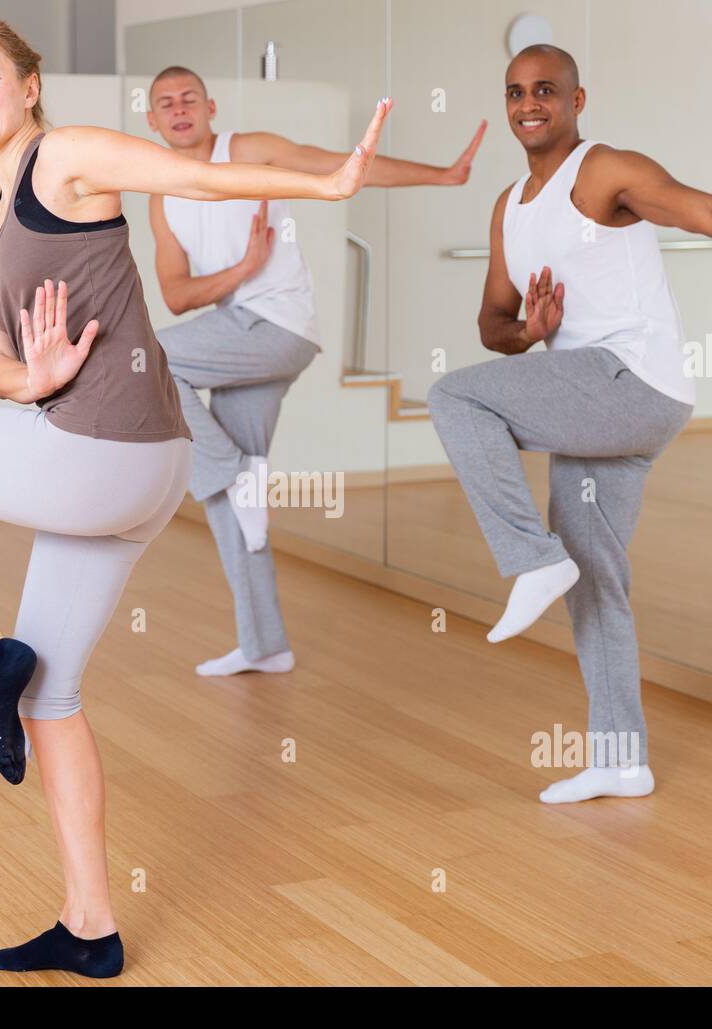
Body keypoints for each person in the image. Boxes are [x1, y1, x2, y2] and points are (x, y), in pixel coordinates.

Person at [0, 16, 390, 977]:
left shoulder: (67, 158)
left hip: (106, 455)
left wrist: (328, 183)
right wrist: (38, 376)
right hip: (134, 470)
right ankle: (91, 925)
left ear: (29, 87)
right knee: (54, 695)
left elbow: (197, 176)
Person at [426, 45, 712, 804]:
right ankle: (620, 759)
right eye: (516, 92)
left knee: (455, 399)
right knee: (594, 578)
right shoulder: (509, 207)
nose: (530, 104)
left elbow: (710, 211)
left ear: (577, 98)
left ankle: (530, 559)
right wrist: (530, 330)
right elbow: (493, 325)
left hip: (629, 382)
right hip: (600, 406)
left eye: (546, 91)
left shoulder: (604, 170)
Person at [145, 65, 486, 676]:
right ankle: (264, 644)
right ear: (152, 120)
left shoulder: (247, 152)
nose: (178, 109)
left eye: (189, 98)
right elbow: (175, 294)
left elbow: (339, 165)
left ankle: (228, 472)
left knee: (147, 360)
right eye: (165, 103)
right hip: (242, 335)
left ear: (210, 106)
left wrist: (443, 175)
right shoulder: (161, 197)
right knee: (232, 506)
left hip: (278, 329)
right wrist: (244, 269)